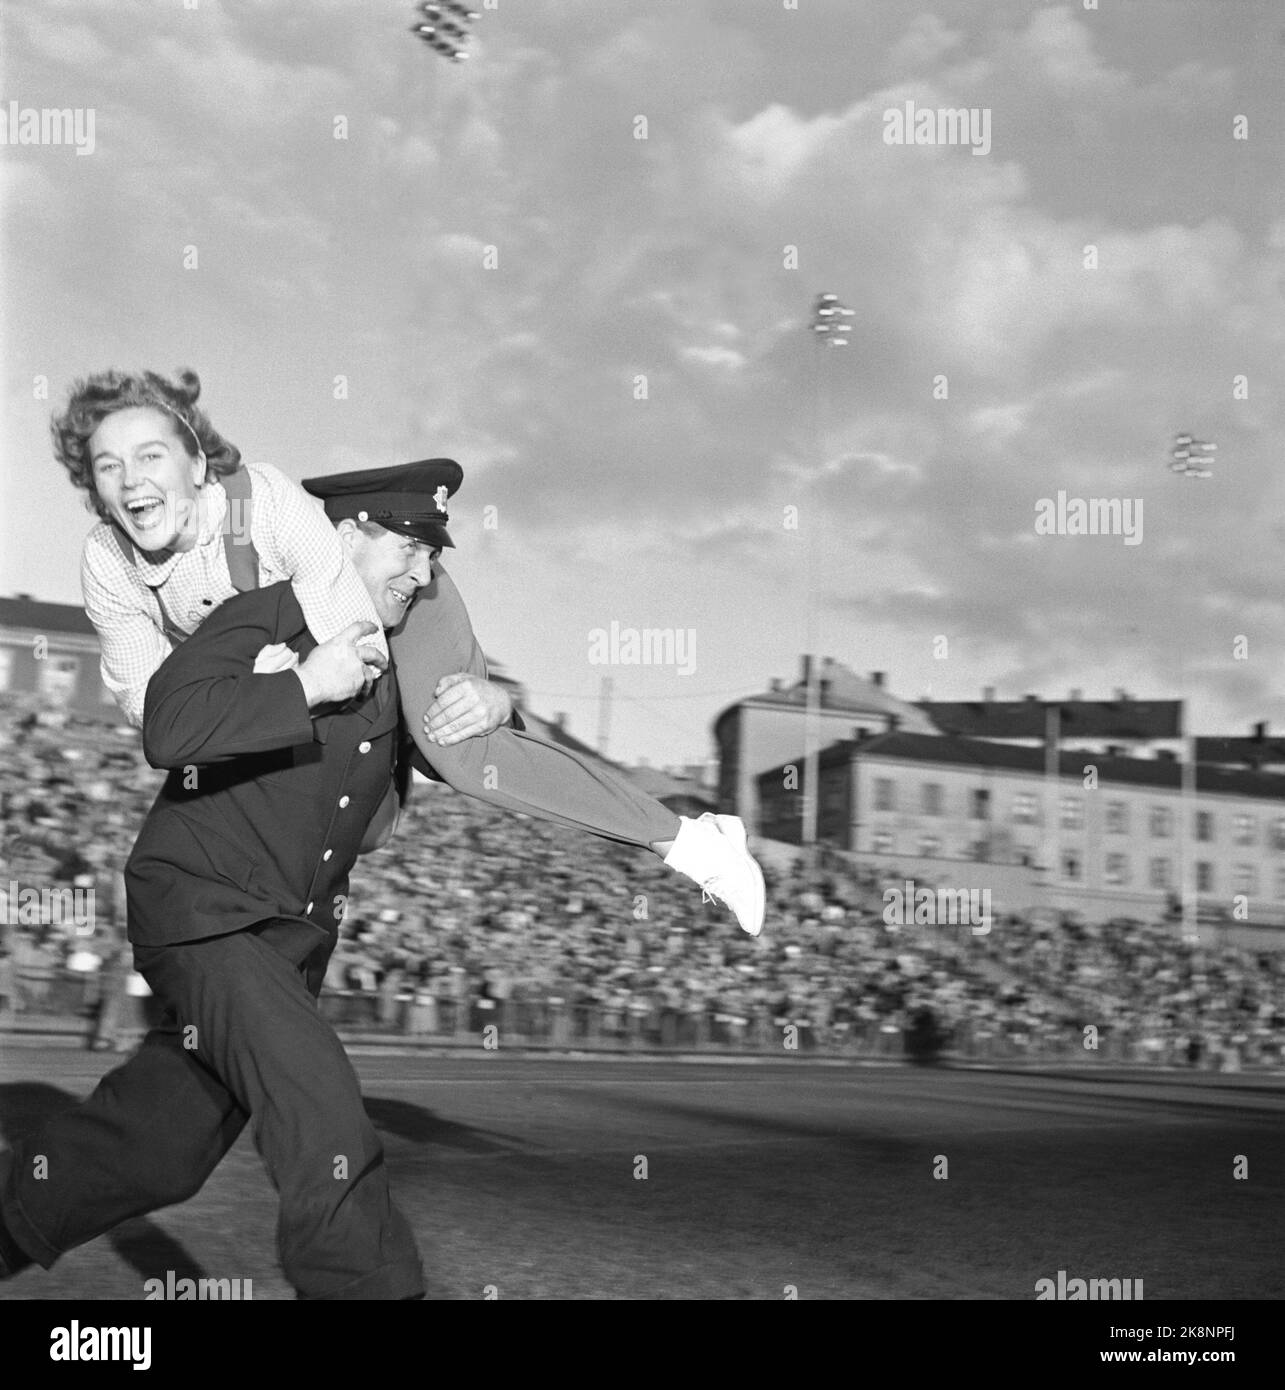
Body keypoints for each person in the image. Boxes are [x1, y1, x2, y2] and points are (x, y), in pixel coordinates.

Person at [54, 369, 765, 934]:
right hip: (334, 690)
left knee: (463, 746)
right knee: (367, 825)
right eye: (112, 468)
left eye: (153, 457)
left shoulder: (286, 523)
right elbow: (162, 719)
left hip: (369, 627)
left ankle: (692, 844)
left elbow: (371, 668)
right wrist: (259, 692)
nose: (137, 483)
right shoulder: (116, 562)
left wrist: (497, 702)